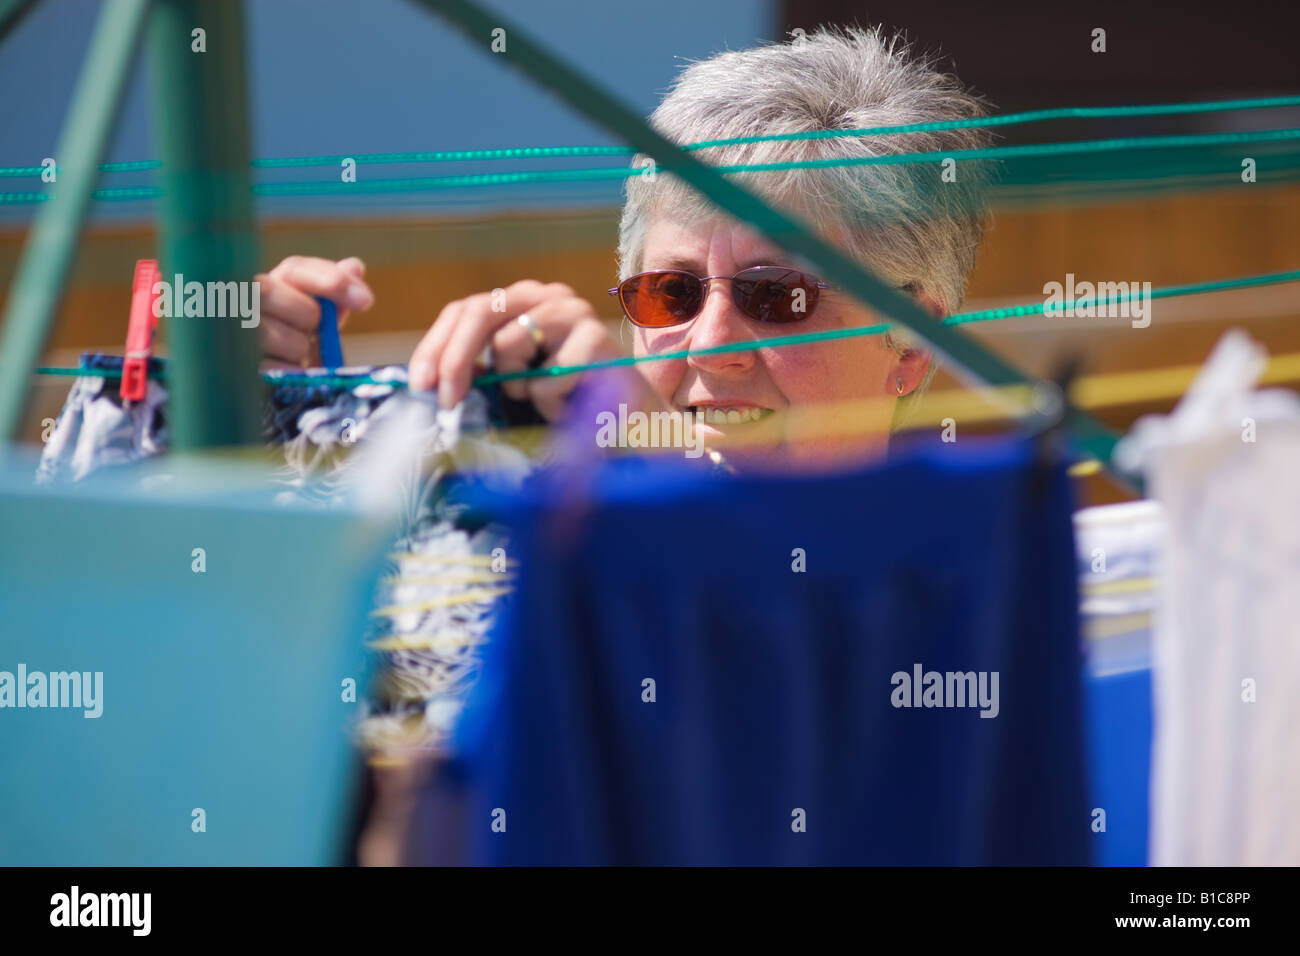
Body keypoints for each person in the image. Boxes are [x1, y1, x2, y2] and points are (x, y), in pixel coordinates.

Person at [256, 25, 994, 470]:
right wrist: (273, 427)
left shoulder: (975, 584)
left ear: (910, 344)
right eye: (671, 293)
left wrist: (656, 466)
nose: (709, 346)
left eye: (777, 296)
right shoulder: (541, 509)